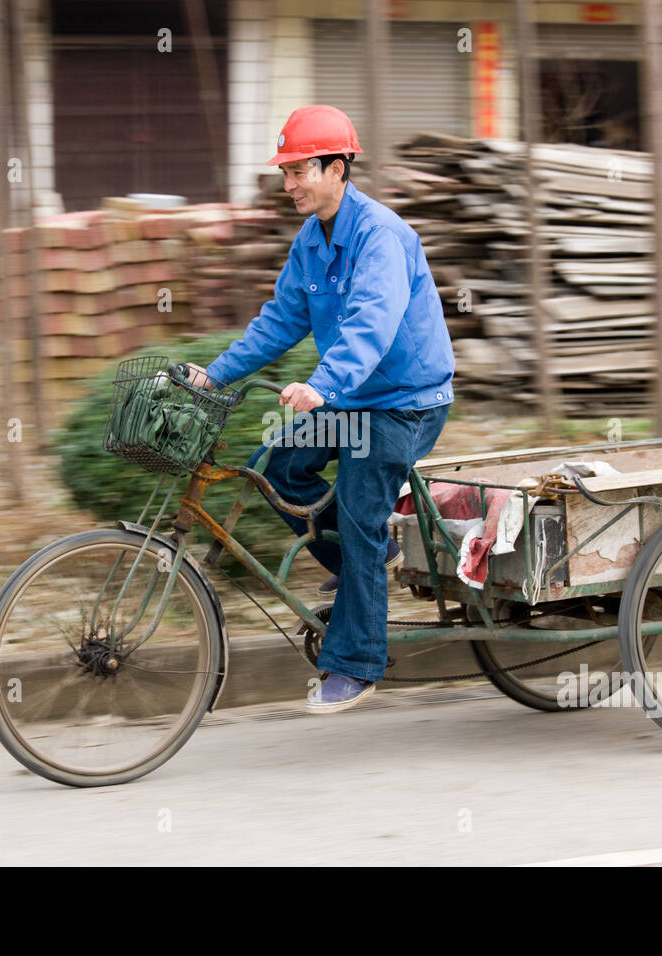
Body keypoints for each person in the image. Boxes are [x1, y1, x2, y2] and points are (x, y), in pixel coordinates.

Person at [184, 104, 454, 715]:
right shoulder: (311, 240)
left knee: (359, 508)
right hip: (352, 397)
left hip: (404, 404)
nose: (289, 185)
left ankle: (356, 662)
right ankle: (364, 560)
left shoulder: (380, 236)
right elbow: (280, 320)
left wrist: (322, 385)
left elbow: (372, 324)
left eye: (299, 170)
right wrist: (215, 372)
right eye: (286, 173)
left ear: (337, 167)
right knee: (276, 464)